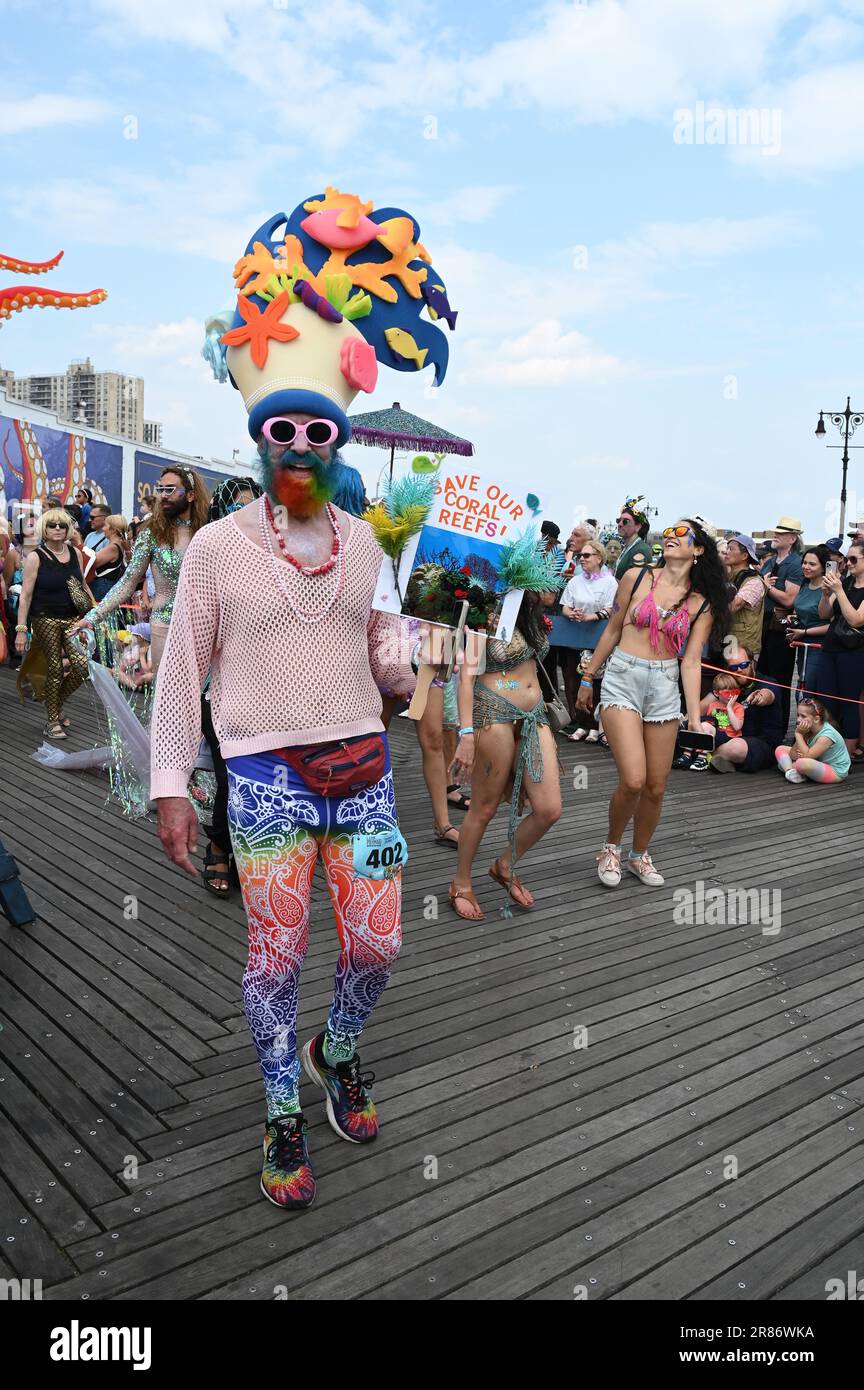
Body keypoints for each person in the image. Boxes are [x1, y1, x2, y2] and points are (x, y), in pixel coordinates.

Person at [154, 185, 456, 1210]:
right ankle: (283, 1109)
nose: (299, 444)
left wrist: (403, 663)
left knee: (380, 940)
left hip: (364, 774)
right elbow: (178, 671)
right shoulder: (212, 548)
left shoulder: (368, 541)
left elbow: (384, 648)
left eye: (317, 432)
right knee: (274, 954)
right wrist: (170, 781)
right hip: (266, 776)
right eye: (282, 427)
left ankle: (340, 1047)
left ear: (335, 446)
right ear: (259, 436)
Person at [577, 518, 726, 887]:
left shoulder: (702, 602)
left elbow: (691, 661)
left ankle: (638, 854)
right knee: (633, 779)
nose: (671, 537)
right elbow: (612, 627)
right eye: (669, 532)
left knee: (656, 786)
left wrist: (694, 717)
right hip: (623, 678)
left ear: (699, 549)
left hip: (664, 685)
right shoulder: (637, 577)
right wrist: (587, 676)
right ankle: (610, 847)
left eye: (681, 533)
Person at [447, 590, 562, 921]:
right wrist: (465, 734)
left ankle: (504, 865)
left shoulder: (531, 612)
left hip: (534, 715)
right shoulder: (488, 608)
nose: (553, 584)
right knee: (484, 808)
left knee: (549, 809)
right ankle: (460, 882)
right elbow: (466, 678)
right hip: (492, 713)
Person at [71, 466, 209, 672]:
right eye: (160, 489)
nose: (163, 496)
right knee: (167, 693)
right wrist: (92, 616)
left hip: (204, 628)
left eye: (170, 489)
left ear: (190, 495)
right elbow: (128, 582)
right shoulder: (152, 534)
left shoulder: (209, 533)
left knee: (204, 697)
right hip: (164, 625)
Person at [198, 476, 263, 897]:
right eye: (240, 504)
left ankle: (247, 851)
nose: (249, 513)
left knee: (255, 781)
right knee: (227, 776)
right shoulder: (208, 551)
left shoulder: (271, 556)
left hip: (267, 691)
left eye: (254, 504)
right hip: (217, 689)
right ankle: (219, 845)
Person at [13, 508, 91, 739]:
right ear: (44, 530)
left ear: (68, 529)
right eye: (52, 525)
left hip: (72, 619)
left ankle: (54, 706)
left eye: (62, 525)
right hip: (44, 618)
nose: (57, 529)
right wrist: (21, 630)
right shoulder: (36, 556)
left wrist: (92, 613)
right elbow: (25, 596)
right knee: (55, 668)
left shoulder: (75, 553)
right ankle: (51, 721)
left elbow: (83, 586)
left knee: (81, 667)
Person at [810, 541, 864, 754]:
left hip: (854, 651)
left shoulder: (844, 586)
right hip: (830, 647)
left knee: (848, 702)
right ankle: (827, 747)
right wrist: (825, 594)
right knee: (826, 701)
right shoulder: (845, 582)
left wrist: (839, 591)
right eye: (845, 559)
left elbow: (856, 620)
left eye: (853, 559)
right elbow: (824, 614)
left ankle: (848, 752)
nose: (847, 563)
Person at [560, 537, 617, 738]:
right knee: (573, 680)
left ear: (599, 558)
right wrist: (570, 613)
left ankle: (594, 725)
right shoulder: (575, 581)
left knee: (596, 683)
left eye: (586, 555)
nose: (581, 559)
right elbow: (565, 605)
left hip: (597, 639)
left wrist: (591, 616)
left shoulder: (610, 582)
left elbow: (612, 609)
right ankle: (581, 724)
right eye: (579, 556)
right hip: (575, 637)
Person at [705, 644, 784, 774]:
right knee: (701, 726)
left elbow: (768, 693)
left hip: (762, 744)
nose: (739, 670)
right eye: (734, 667)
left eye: (744, 665)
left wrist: (760, 697)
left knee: (736, 747)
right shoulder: (728, 686)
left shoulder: (768, 682)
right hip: (729, 736)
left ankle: (704, 756)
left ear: (752, 663)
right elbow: (705, 703)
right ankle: (724, 761)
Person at [759, 515, 803, 732]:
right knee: (763, 675)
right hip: (765, 627)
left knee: (780, 680)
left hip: (781, 628)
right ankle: (764, 725)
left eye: (781, 532)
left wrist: (767, 587)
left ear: (793, 538)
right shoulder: (770, 561)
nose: (776, 535)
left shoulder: (796, 563)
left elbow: (789, 599)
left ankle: (778, 729)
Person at [785, 546, 831, 692]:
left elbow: (832, 624)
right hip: (802, 643)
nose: (806, 567)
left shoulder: (829, 588)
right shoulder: (805, 584)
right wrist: (794, 617)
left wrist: (805, 632)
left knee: (808, 687)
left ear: (823, 567)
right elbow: (801, 609)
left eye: (812, 564)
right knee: (803, 683)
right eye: (804, 562)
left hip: (820, 645)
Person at [775, 697, 851, 784]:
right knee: (780, 749)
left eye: (803, 716)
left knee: (801, 763)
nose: (798, 720)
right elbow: (793, 755)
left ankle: (791, 768)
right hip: (816, 761)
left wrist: (799, 734)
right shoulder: (808, 729)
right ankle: (790, 771)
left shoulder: (827, 735)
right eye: (798, 715)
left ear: (816, 719)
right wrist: (802, 736)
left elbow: (807, 757)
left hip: (835, 771)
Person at [723, 534, 764, 662]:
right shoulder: (727, 577)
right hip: (727, 642)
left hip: (745, 648)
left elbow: (733, 607)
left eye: (731, 549)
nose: (726, 551)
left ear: (745, 556)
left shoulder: (754, 581)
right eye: (727, 548)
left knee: (742, 680)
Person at [88, 514, 130, 602]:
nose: (103, 529)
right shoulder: (119, 545)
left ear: (113, 530)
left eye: (105, 525)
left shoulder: (113, 547)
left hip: (102, 587)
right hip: (107, 586)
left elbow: (90, 563)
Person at [613, 496, 654, 579]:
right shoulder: (628, 547)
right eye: (618, 520)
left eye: (625, 521)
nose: (620, 524)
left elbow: (634, 584)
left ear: (638, 526)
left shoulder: (641, 549)